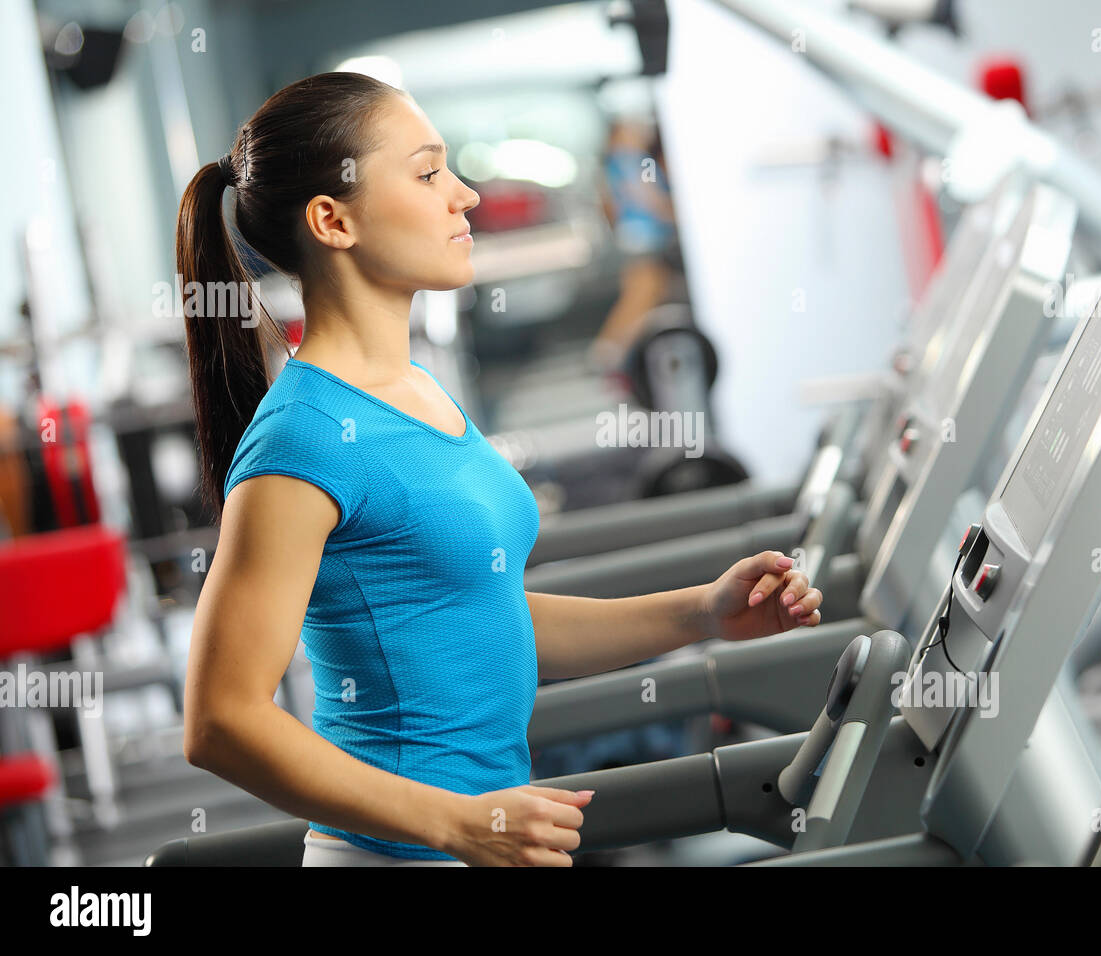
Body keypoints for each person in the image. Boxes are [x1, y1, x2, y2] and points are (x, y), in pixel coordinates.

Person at [176, 72, 824, 867]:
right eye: (427, 173)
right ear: (332, 220)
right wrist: (453, 823)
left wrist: (702, 613)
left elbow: (483, 618)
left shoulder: (415, 391)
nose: (467, 196)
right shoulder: (302, 441)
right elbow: (220, 721)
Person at [588, 118, 681, 371]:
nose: (640, 131)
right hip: (644, 238)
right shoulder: (631, 161)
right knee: (640, 293)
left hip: (633, 236)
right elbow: (648, 198)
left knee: (645, 293)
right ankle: (609, 351)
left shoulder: (615, 164)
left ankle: (617, 350)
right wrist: (676, 214)